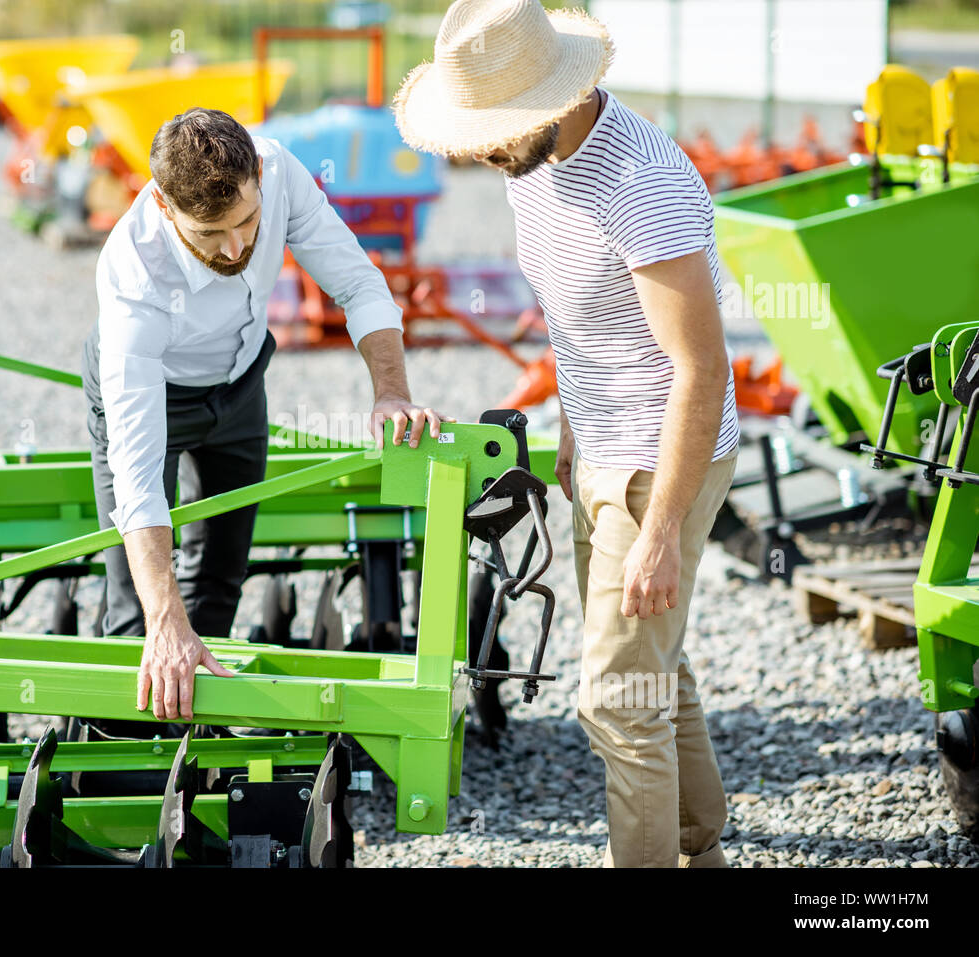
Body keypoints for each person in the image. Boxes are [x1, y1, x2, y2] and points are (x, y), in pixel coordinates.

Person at [394, 0, 740, 867]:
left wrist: (659, 530)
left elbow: (703, 370)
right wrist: (571, 426)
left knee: (618, 701)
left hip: (666, 457)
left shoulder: (640, 185)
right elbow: (568, 304)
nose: (480, 151)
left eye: (495, 131)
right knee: (652, 660)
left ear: (555, 102)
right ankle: (701, 841)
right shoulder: (533, 164)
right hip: (600, 444)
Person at [82, 107, 452, 726]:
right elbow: (139, 481)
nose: (238, 247)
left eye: (249, 221)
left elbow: (359, 285)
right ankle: (129, 759)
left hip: (242, 381)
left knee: (223, 570)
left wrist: (391, 390)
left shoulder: (278, 168)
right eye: (210, 236)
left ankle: (198, 721)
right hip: (157, 393)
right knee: (138, 611)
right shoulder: (132, 279)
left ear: (257, 173)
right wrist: (166, 622)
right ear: (165, 210)